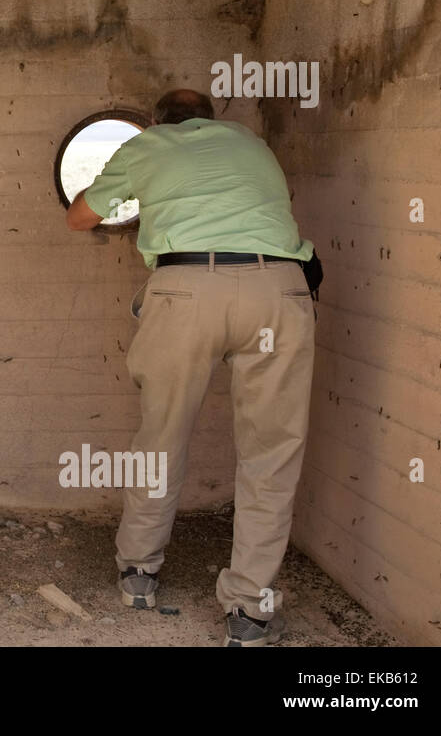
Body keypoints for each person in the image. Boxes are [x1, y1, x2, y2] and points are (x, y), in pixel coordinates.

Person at [65, 89, 316, 646]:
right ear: (211, 118)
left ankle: (138, 574)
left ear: (158, 121)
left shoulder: (147, 144)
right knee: (271, 451)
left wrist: (147, 200)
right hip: (279, 290)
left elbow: (79, 216)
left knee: (161, 435)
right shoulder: (253, 143)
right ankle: (249, 611)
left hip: (185, 291)